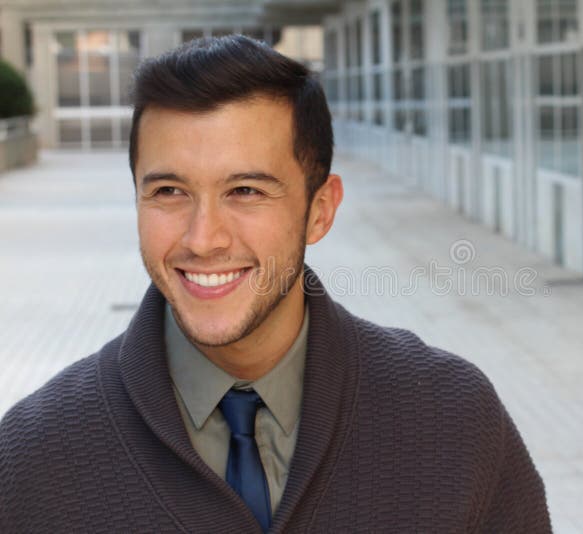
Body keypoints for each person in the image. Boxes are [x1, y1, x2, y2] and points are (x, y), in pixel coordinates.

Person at [0, 35, 551, 533]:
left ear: (320, 210)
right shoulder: (34, 459)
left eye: (246, 191)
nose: (203, 239)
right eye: (169, 191)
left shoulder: (453, 420)